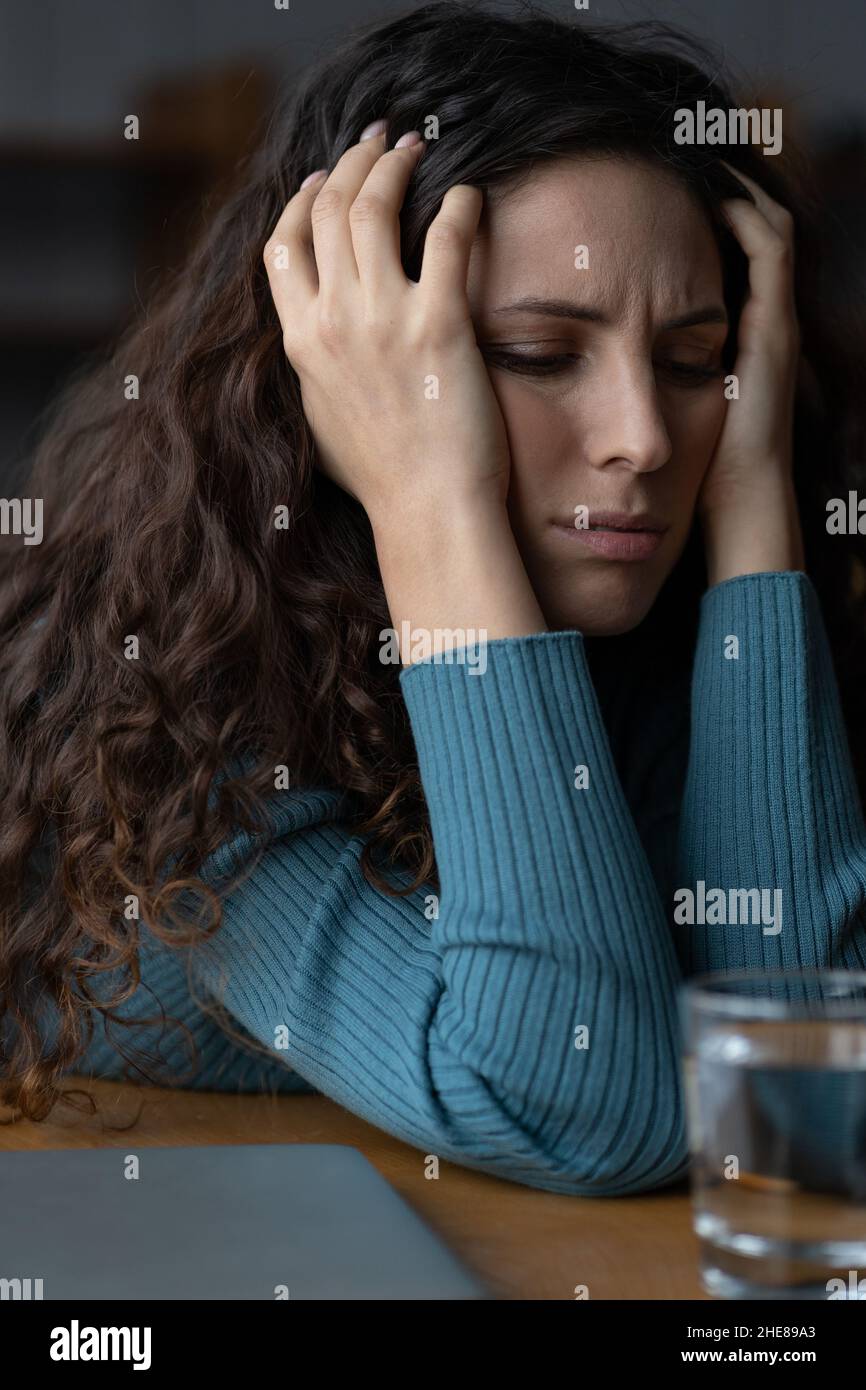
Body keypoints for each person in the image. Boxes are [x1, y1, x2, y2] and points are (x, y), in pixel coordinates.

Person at [1, 1, 865, 1197]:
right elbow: (583, 1105)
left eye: (690, 361)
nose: (643, 440)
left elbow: (794, 1106)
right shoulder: (189, 723)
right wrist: (428, 498)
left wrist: (756, 496)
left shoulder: (657, 640)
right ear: (346, 373)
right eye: (533, 355)